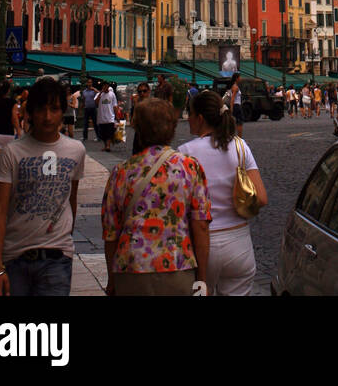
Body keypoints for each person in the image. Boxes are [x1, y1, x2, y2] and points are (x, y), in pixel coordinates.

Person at [0, 77, 85, 297]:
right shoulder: (12, 152)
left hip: (57, 257)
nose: (47, 117)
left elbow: (71, 198)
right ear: (30, 112)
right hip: (16, 255)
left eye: (54, 109)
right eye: (41, 109)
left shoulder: (76, 150)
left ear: (63, 111)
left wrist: (65, 236)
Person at [101, 98, 210, 297]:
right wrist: (202, 279)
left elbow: (110, 232)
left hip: (131, 268)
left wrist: (112, 278)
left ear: (138, 128)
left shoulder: (121, 172)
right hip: (177, 266)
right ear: (172, 127)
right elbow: (200, 226)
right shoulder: (189, 167)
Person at [181, 90, 267, 296]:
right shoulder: (240, 147)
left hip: (201, 246)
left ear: (200, 119)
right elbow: (262, 198)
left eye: (190, 114)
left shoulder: (184, 153)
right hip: (239, 245)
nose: (188, 119)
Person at [97, 82, 118, 152]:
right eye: (104, 86)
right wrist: (100, 93)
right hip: (101, 117)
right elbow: (96, 103)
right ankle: (105, 146)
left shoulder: (112, 94)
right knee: (103, 134)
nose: (105, 87)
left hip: (110, 117)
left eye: (106, 86)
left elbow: (115, 105)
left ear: (108, 86)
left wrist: (116, 115)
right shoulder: (99, 94)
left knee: (109, 133)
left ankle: (108, 146)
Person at [81, 78, 100, 143]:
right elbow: (83, 100)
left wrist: (95, 89)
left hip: (93, 108)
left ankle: (98, 136)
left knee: (95, 123)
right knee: (85, 123)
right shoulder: (84, 91)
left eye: (90, 82)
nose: (89, 84)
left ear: (92, 83)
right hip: (86, 108)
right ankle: (85, 137)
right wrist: (82, 106)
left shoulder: (94, 91)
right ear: (87, 83)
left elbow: (100, 94)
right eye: (88, 82)